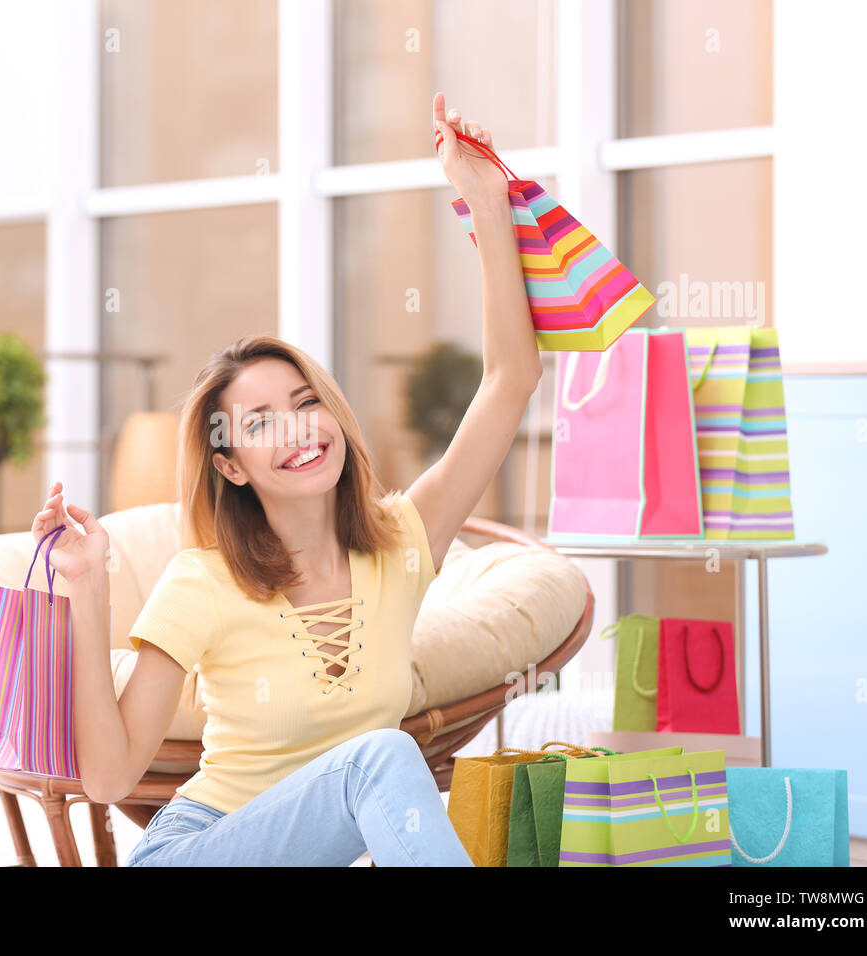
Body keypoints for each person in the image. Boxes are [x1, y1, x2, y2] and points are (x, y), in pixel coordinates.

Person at [30, 93, 542, 866]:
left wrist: (486, 202)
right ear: (230, 464)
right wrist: (87, 590)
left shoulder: (403, 544)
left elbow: (510, 379)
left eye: (308, 404)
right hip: (191, 851)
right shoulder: (202, 580)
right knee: (383, 755)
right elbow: (107, 779)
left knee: (379, 759)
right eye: (262, 420)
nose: (301, 429)